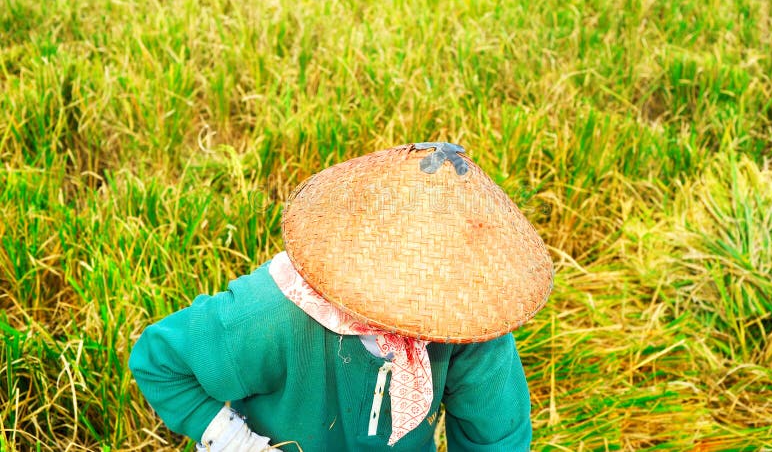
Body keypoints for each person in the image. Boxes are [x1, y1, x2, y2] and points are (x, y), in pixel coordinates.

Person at [129, 142, 554, 451]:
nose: (414, 322)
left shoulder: (469, 323)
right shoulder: (271, 313)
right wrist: (235, 441)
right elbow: (159, 362)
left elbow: (496, 436)